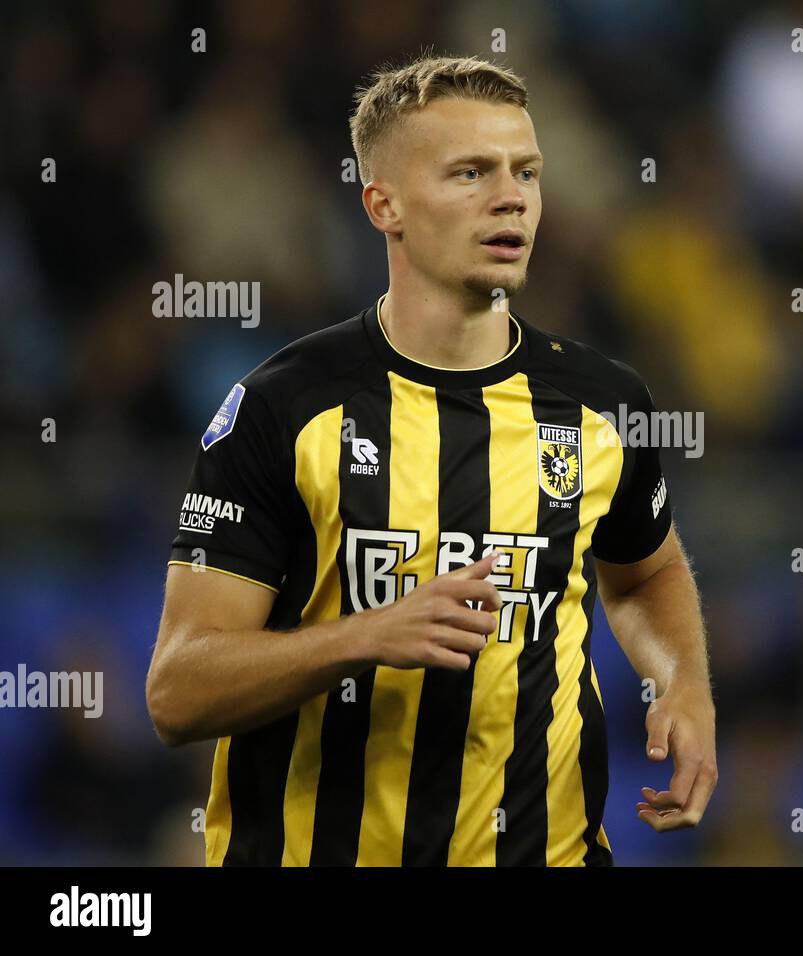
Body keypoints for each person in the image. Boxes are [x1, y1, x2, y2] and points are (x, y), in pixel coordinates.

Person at [146, 54, 716, 866]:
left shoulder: (601, 403)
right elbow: (176, 691)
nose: (511, 195)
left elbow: (646, 573)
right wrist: (359, 637)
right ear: (385, 205)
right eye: (470, 173)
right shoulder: (286, 408)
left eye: (526, 171)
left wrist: (681, 682)